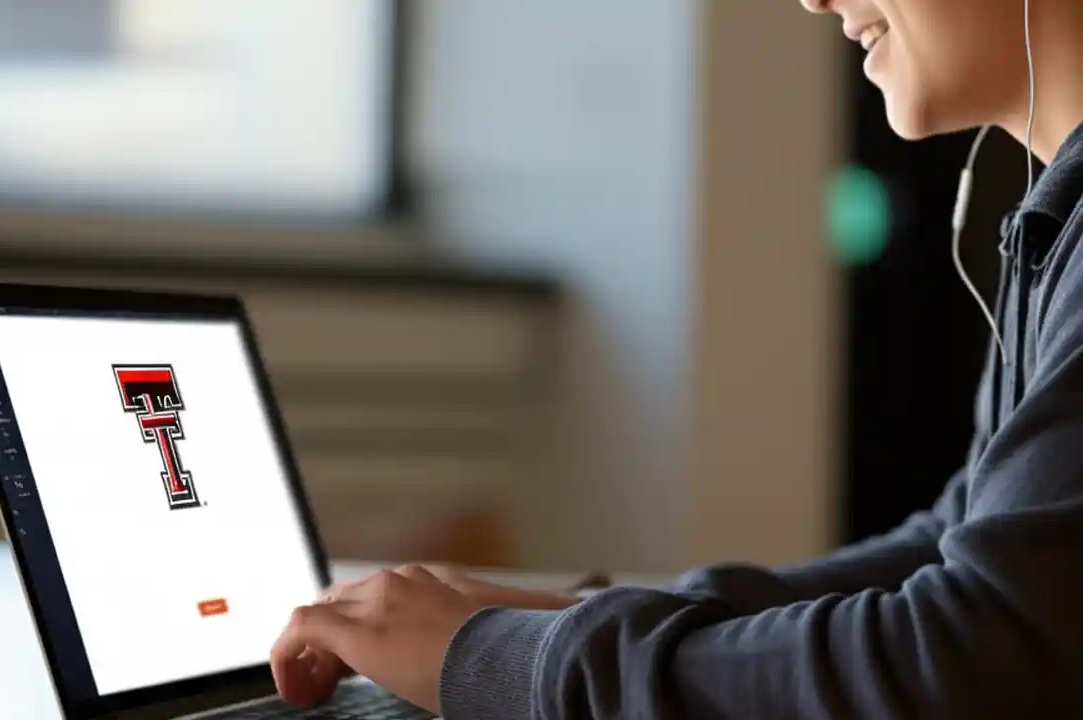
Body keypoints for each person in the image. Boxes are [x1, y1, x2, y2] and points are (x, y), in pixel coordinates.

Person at [270, 0, 1083, 716]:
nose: (813, 0)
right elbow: (956, 545)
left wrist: (515, 666)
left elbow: (978, 654)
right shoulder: (1054, 228)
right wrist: (564, 620)